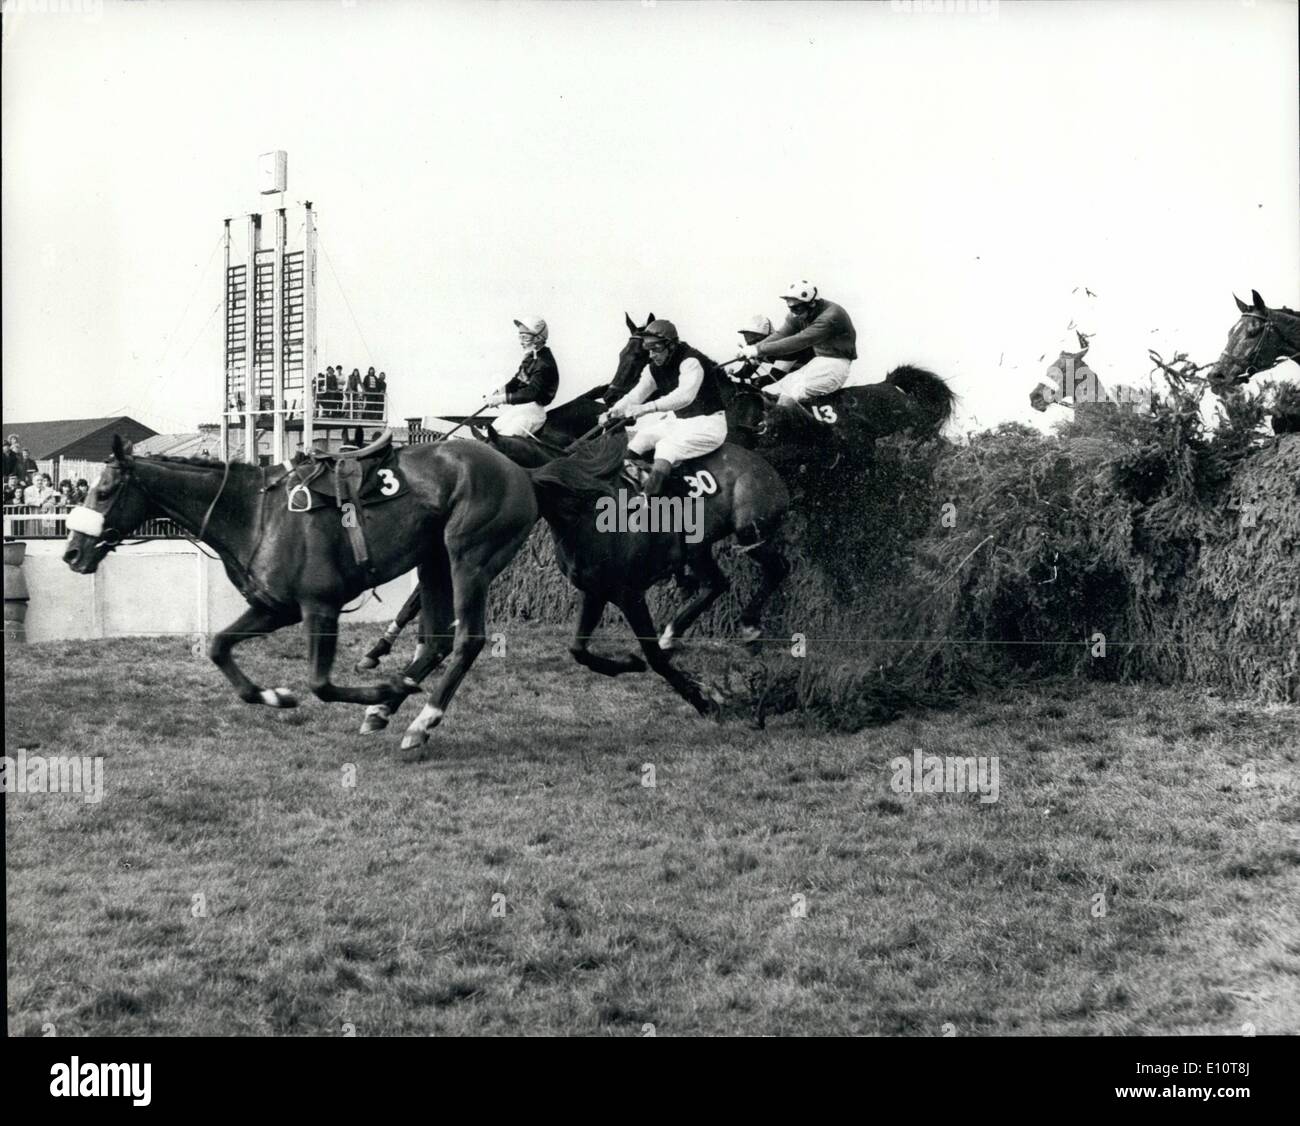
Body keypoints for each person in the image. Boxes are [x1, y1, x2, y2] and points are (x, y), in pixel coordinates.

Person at [603, 319, 728, 496]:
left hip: (708, 424)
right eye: (649, 350)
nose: (652, 355)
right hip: (680, 422)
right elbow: (635, 395)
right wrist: (612, 411)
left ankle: (648, 502)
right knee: (642, 438)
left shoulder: (691, 361)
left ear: (671, 345)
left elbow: (684, 397)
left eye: (656, 349)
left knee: (666, 447)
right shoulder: (654, 368)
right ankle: (624, 488)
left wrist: (647, 408)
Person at [736, 280, 857, 408]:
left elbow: (799, 340)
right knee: (788, 390)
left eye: (797, 308)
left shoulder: (831, 316)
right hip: (819, 361)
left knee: (793, 394)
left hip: (836, 364)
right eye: (790, 308)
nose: (793, 313)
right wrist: (754, 348)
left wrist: (757, 351)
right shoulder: (801, 312)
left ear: (812, 303)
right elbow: (781, 334)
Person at [486, 316, 560, 437]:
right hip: (522, 408)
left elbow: (531, 392)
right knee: (491, 431)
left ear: (538, 339)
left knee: (504, 439)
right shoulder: (531, 357)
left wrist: (501, 399)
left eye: (525, 337)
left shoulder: (545, 363)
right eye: (520, 337)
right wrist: (498, 392)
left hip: (534, 412)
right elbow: (518, 379)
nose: (521, 341)